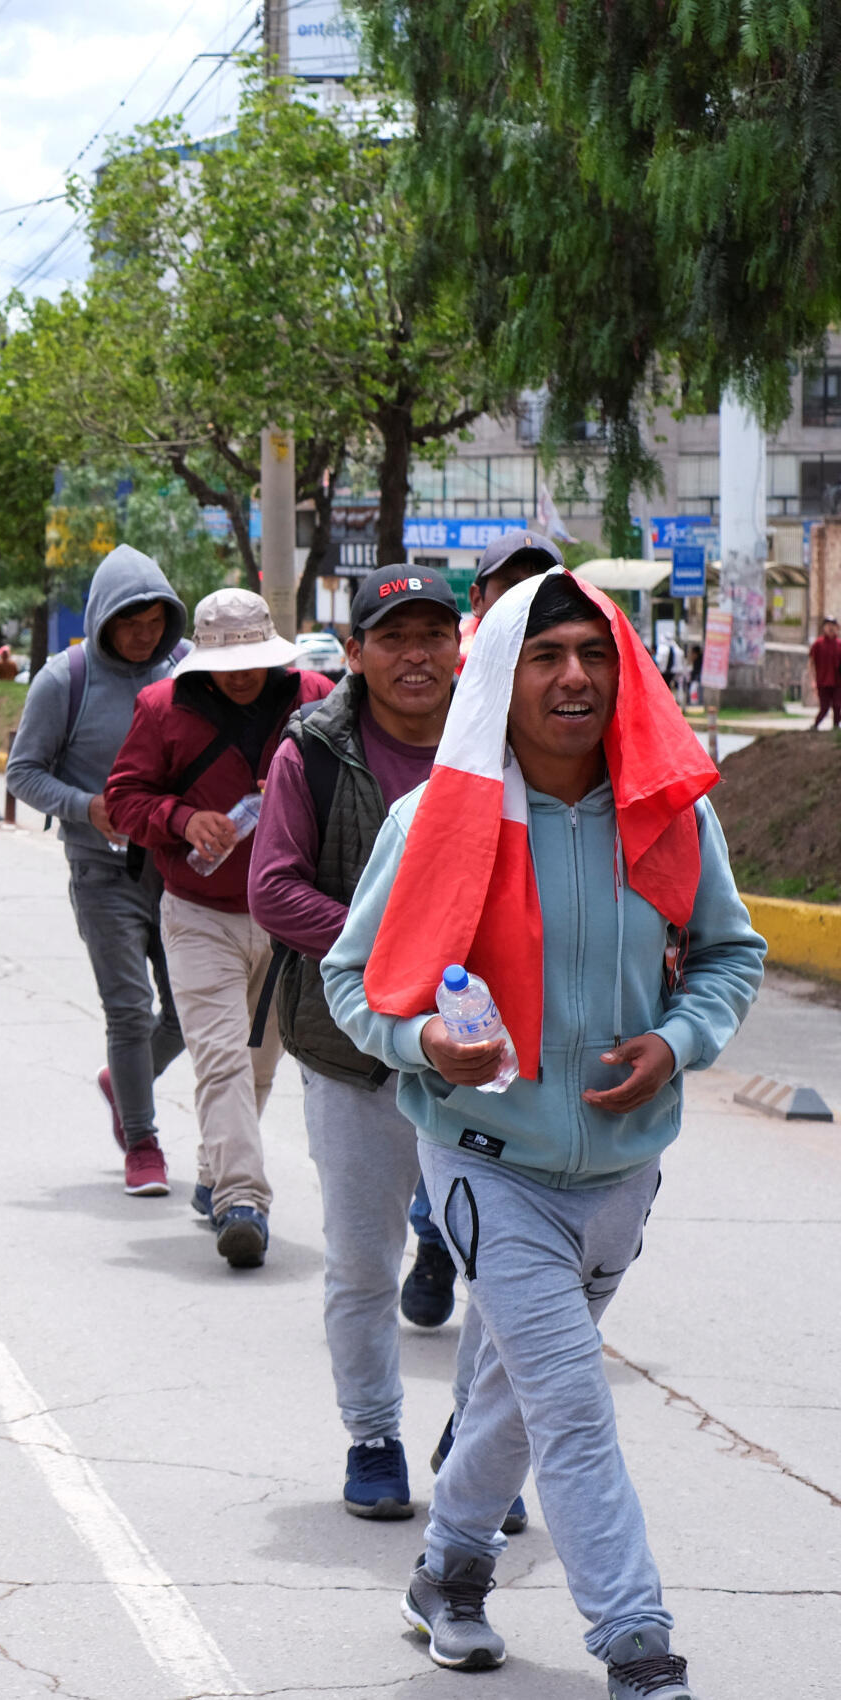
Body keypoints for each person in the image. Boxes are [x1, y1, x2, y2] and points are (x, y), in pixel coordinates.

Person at [323, 570, 763, 1693]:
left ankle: (447, 1572)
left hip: (622, 1167)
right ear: (499, 676)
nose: (573, 676)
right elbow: (347, 979)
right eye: (544, 654)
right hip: (484, 1160)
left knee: (519, 1392)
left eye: (593, 654)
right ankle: (636, 1642)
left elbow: (726, 954)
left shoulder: (669, 811)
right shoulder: (434, 820)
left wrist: (677, 1040)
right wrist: (424, 1043)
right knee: (568, 1399)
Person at [247, 566, 463, 1520]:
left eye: (433, 635)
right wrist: (388, 952)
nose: (415, 655)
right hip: (350, 1049)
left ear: (461, 648)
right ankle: (373, 1436)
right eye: (393, 637)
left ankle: (477, 1452)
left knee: (507, 1270)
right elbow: (274, 888)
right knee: (364, 1262)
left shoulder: (503, 742)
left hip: (484, 1054)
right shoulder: (313, 752)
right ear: (357, 654)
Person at [104, 588, 333, 1268]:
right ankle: (243, 1199)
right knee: (222, 1058)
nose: (241, 675)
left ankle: (212, 1171)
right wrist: (180, 818)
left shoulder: (317, 696)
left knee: (261, 1066)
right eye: (227, 663)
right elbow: (123, 798)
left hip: (290, 915)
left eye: (254, 660)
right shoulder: (161, 708)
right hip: (199, 911)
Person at [5, 546, 190, 1197]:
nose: (143, 633)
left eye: (154, 619)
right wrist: (86, 807)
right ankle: (142, 1140)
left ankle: (125, 1079)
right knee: (129, 1011)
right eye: (129, 620)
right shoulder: (64, 680)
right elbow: (22, 772)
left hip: (180, 868)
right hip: (102, 871)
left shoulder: (187, 669)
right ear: (102, 618)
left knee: (189, 1010)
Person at [460, 529, 563, 659]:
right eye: (513, 587)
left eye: (544, 587)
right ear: (477, 600)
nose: (531, 601)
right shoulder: (447, 671)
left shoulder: (581, 671)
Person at [810, 615, 841, 731]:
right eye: (828, 625)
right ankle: (815, 726)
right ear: (824, 628)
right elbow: (811, 663)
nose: (830, 628)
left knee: (838, 705)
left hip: (837, 682)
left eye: (833, 625)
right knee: (824, 707)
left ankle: (836, 727)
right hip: (823, 681)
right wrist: (813, 680)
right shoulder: (818, 644)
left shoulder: (839, 645)